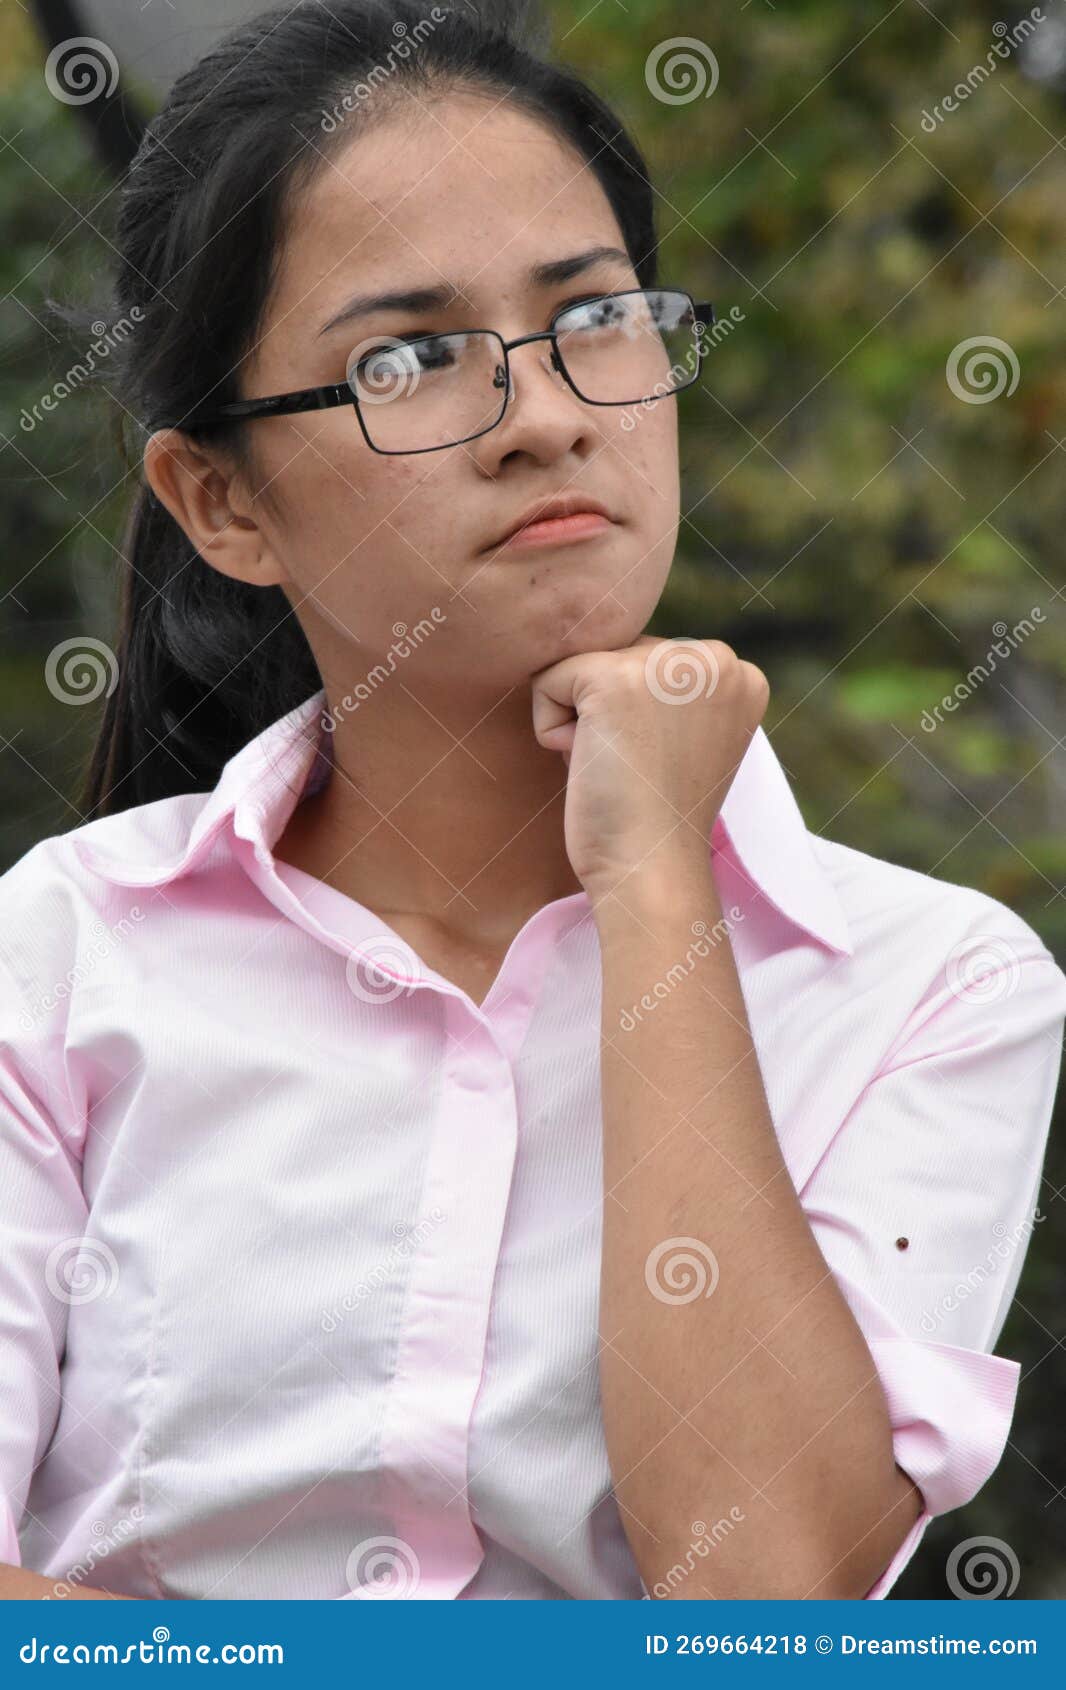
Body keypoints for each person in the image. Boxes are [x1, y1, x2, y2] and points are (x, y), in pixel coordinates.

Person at [2, 0, 1064, 1603]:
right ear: (222, 501)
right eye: (407, 357)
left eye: (597, 317)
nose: (550, 415)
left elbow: (761, 1599)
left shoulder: (931, 984)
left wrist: (652, 886)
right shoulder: (59, 956)